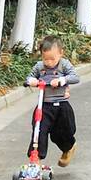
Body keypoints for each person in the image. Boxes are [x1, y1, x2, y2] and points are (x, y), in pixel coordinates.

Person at [25, 35, 80, 166]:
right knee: (39, 130)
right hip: (44, 105)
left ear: (61, 53)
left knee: (60, 133)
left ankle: (69, 147)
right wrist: (30, 81)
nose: (49, 62)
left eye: (52, 59)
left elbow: (75, 77)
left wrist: (62, 80)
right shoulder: (39, 67)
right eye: (45, 59)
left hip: (61, 104)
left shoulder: (64, 65)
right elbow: (30, 77)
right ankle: (35, 160)